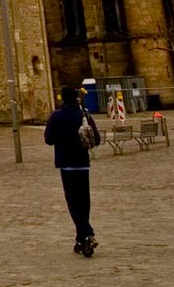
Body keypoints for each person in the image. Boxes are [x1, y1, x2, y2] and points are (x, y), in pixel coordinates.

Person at [44, 85, 99, 257]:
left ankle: (86, 232)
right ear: (76, 97)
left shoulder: (57, 116)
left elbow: (49, 139)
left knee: (73, 202)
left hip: (66, 163)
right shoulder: (84, 114)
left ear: (62, 98)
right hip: (83, 163)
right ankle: (81, 238)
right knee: (84, 201)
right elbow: (96, 139)